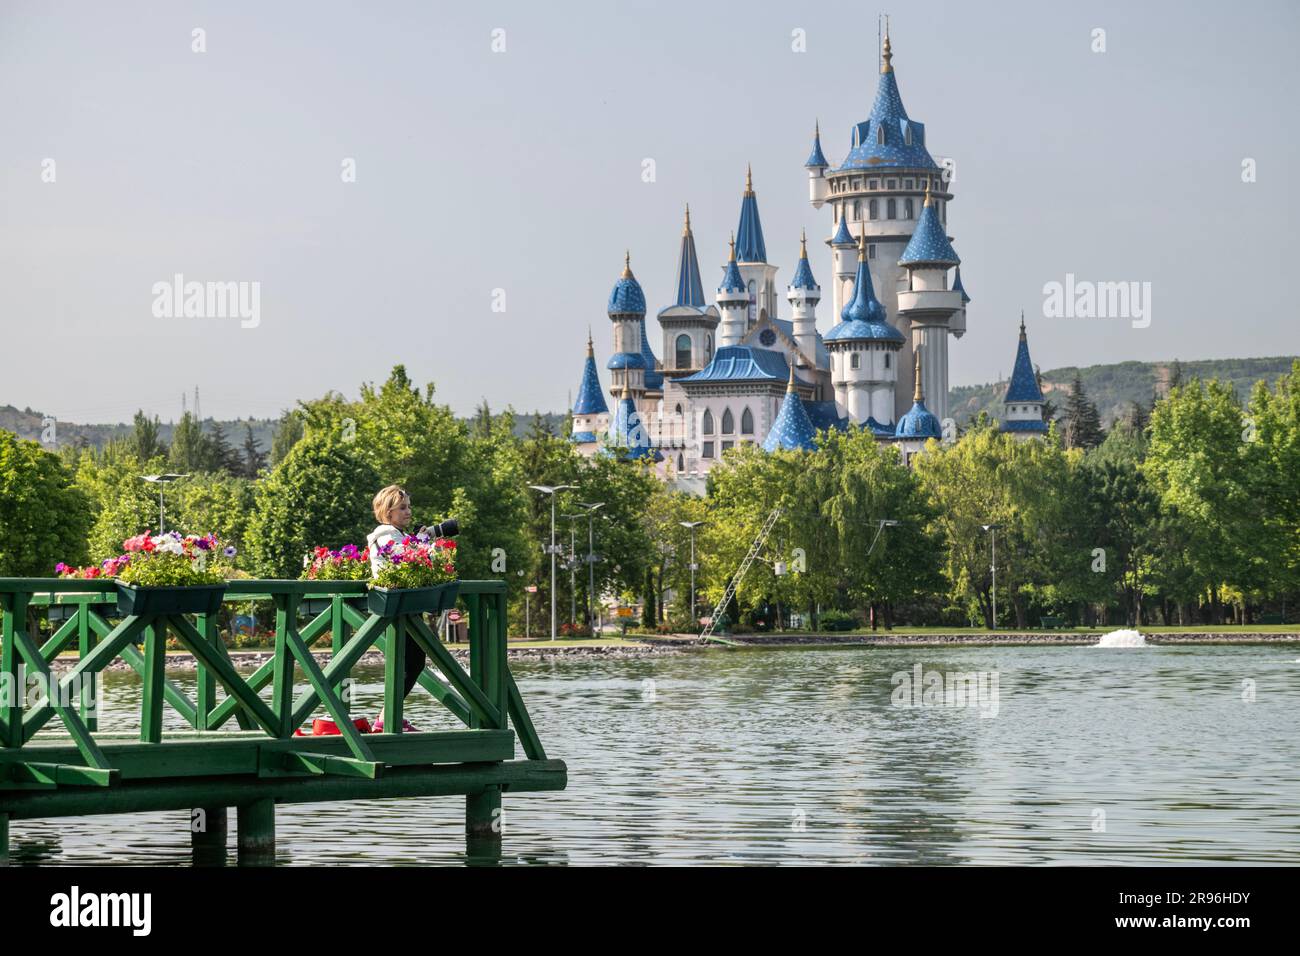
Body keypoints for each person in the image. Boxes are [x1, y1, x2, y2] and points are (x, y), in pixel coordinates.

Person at [366, 484, 424, 732]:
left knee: (409, 662)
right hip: (400, 606)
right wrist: (423, 545)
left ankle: (387, 716)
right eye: (402, 508)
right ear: (388, 512)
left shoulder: (393, 533)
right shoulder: (388, 534)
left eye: (409, 506)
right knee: (413, 662)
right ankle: (386, 717)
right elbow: (406, 561)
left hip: (401, 604)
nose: (408, 511)